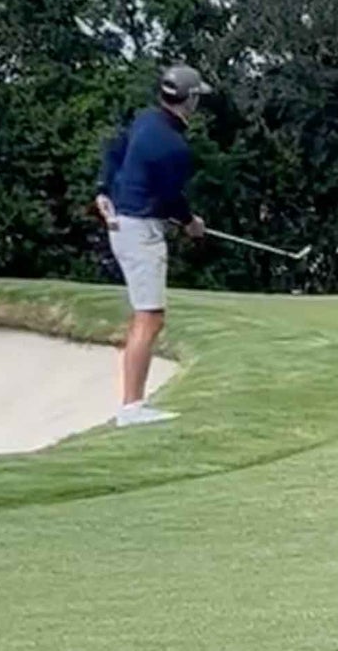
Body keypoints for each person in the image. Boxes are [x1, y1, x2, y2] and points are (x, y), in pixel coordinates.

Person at [95, 64, 212, 427]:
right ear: (189, 99)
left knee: (146, 316)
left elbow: (115, 151)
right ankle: (131, 407)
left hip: (123, 222)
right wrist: (191, 223)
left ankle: (133, 403)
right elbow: (168, 198)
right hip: (140, 230)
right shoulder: (174, 146)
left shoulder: (146, 120)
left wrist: (102, 188)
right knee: (149, 318)